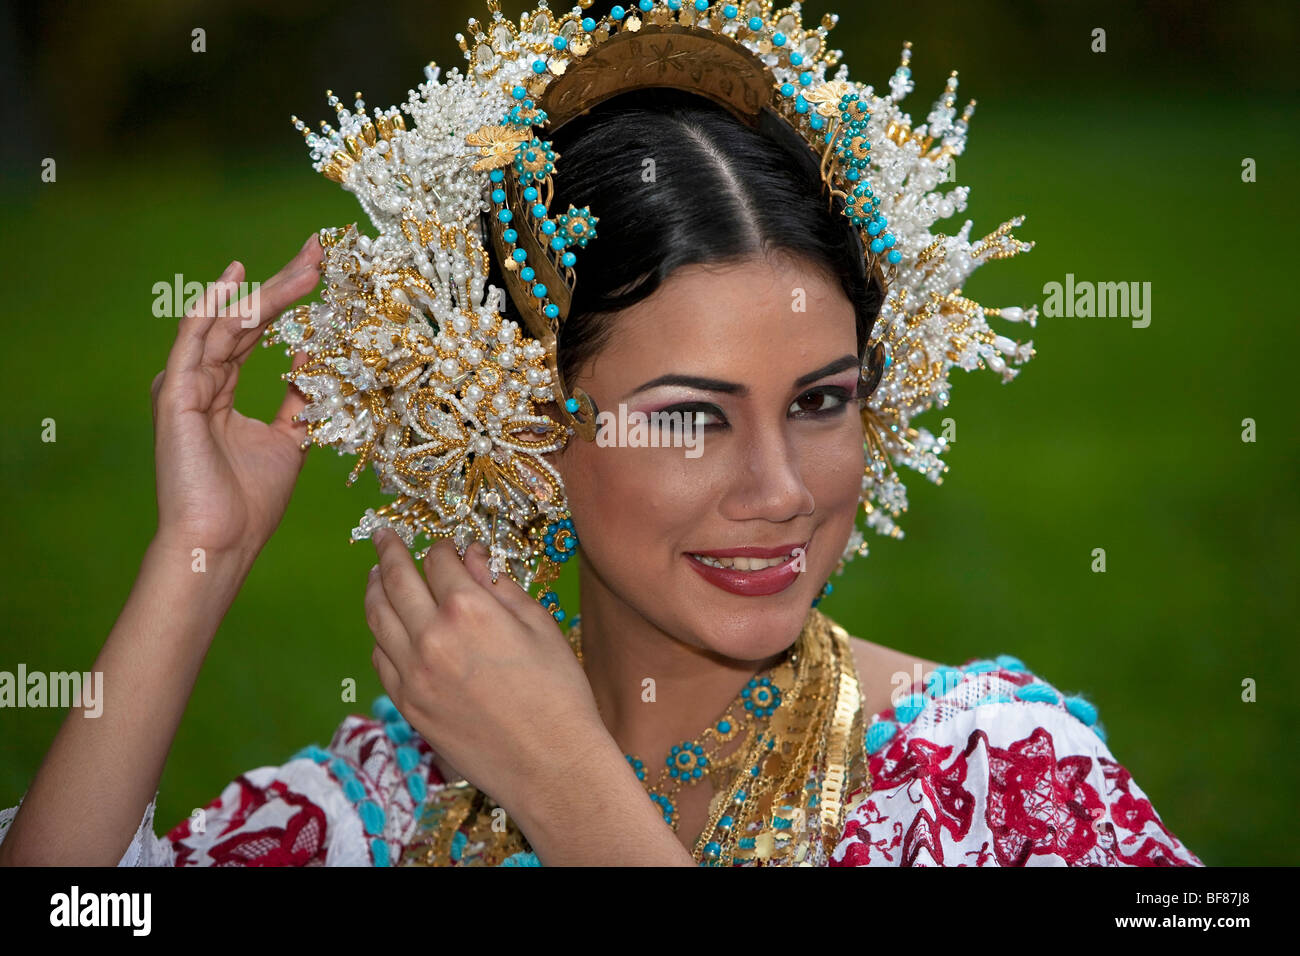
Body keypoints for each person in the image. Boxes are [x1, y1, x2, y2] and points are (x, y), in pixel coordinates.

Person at [0, 1, 1203, 868]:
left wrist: (570, 792)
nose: (780, 489)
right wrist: (197, 556)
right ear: (524, 417)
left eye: (821, 399)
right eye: (690, 414)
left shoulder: (994, 782)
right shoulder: (404, 793)